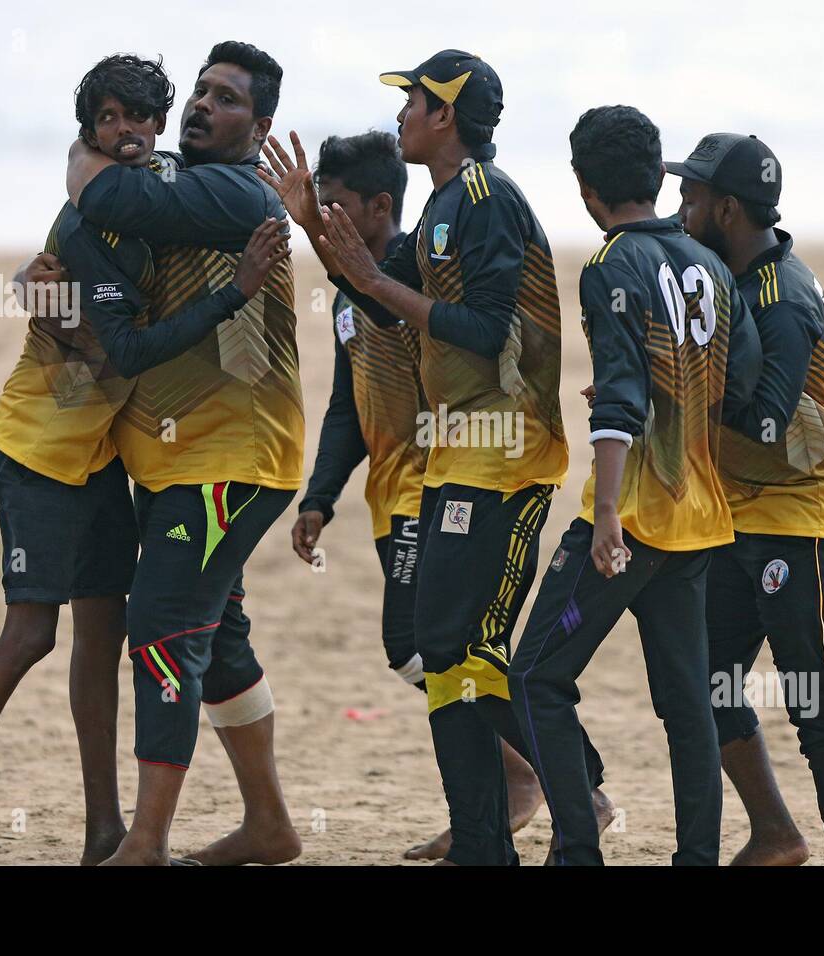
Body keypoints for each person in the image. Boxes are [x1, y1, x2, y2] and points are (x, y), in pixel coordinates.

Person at [0, 53, 278, 866]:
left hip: (103, 453)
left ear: (155, 124)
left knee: (104, 638)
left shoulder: (150, 196)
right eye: (105, 122)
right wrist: (233, 292)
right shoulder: (88, 223)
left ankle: (104, 830)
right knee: (32, 633)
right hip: (40, 445)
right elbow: (132, 350)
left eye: (135, 120)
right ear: (88, 131)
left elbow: (116, 313)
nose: (123, 134)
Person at [262, 50, 608, 865]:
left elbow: (485, 331)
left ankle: (573, 804)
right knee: (440, 651)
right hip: (458, 463)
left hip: (510, 457)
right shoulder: (446, 207)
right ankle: (483, 845)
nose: (401, 114)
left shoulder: (485, 202)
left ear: (445, 114)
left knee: (466, 648)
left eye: (411, 100)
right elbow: (377, 305)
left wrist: (372, 282)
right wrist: (313, 223)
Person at [64, 41, 302, 865]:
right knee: (217, 634)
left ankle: (146, 843)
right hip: (175, 460)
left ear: (260, 127)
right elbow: (113, 214)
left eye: (227, 99)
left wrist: (83, 156)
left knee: (163, 630)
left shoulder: (240, 191)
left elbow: (109, 193)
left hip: (230, 458)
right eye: (200, 92)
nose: (205, 105)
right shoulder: (174, 177)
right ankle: (269, 826)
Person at [508, 106, 761, 865]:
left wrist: (610, 511)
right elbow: (740, 382)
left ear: (583, 187)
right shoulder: (712, 266)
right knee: (689, 708)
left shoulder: (609, 266)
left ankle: (577, 849)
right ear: (659, 178)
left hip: (631, 520)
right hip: (700, 520)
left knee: (535, 677)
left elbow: (619, 398)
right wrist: (663, 394)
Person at [288, 130, 545, 860]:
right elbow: (347, 403)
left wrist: (317, 236)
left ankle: (546, 774)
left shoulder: (408, 282)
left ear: (378, 207)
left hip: (437, 487)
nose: (327, 218)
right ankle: (523, 783)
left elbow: (421, 322)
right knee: (430, 653)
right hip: (385, 493)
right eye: (320, 207)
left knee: (420, 646)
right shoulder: (352, 296)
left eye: (336, 207)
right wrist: (319, 496)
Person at [674, 132, 824, 864]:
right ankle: (777, 833)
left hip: (806, 522)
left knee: (815, 703)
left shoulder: (781, 297)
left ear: (726, 208)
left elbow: (765, 421)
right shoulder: (725, 277)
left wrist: (672, 393)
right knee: (709, 678)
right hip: (739, 517)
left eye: (689, 196)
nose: (678, 208)